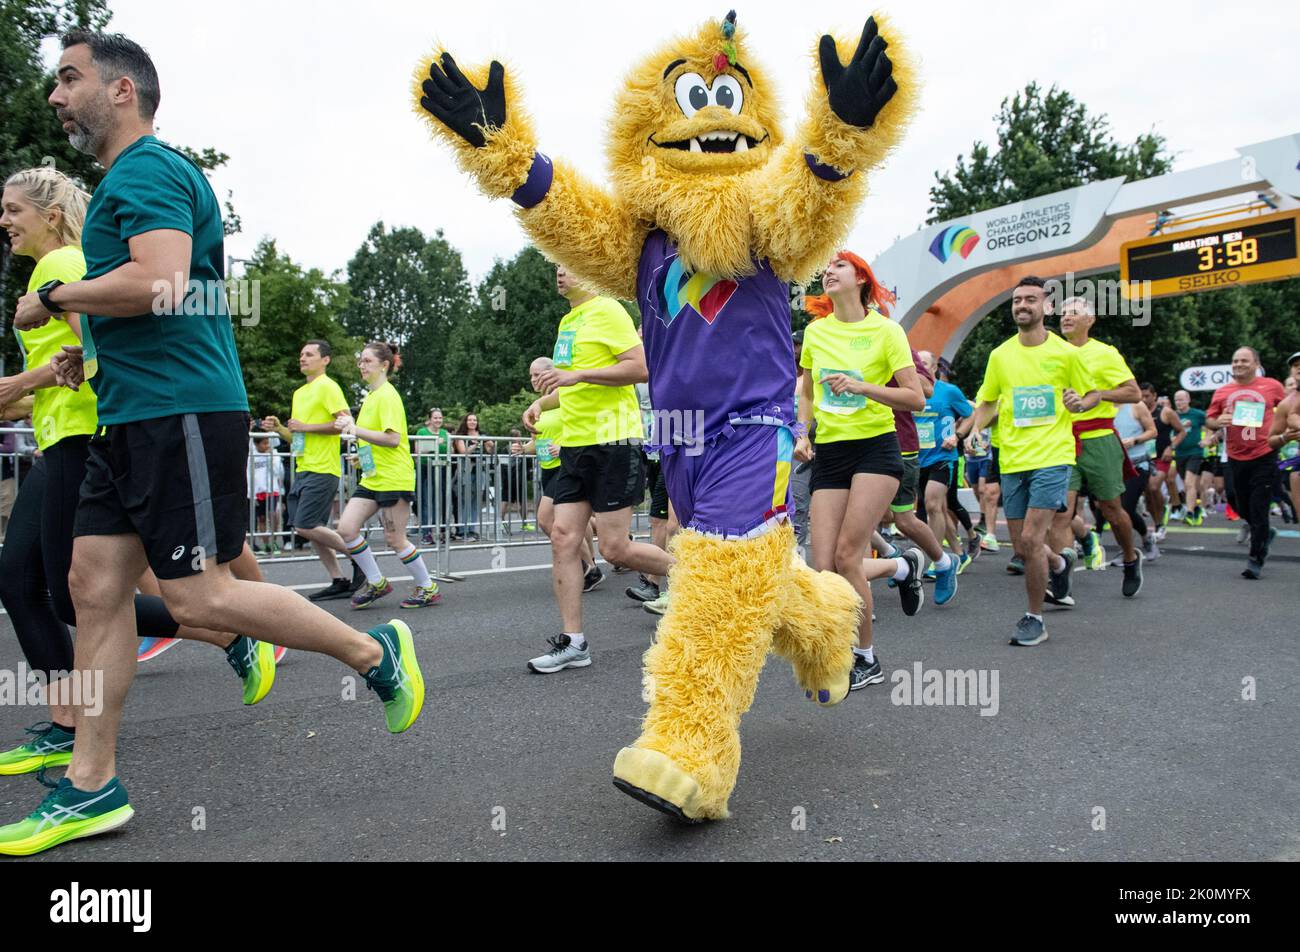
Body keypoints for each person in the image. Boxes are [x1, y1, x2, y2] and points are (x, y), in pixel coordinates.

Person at [0, 30, 424, 856]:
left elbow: (159, 281)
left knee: (198, 596)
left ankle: (377, 651)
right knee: (91, 586)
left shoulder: (152, 169)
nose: (54, 96)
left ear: (122, 91)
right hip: (129, 419)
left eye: (68, 79)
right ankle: (93, 787)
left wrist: (57, 300)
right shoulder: (123, 179)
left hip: (181, 410)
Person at [0, 164, 275, 775]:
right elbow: (87, 352)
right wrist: (33, 386)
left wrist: (26, 378)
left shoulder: (60, 268)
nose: (4, 222)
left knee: (77, 594)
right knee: (42, 587)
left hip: (86, 436)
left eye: (13, 210)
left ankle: (238, 634)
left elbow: (101, 342)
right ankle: (74, 732)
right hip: (69, 435)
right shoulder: (64, 266)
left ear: (47, 215)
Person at [522, 266, 671, 673]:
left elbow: (640, 367)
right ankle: (574, 642)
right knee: (562, 535)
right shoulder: (568, 321)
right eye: (554, 266)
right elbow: (571, 386)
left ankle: (698, 580)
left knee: (614, 548)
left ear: (591, 273)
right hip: (574, 444)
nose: (558, 272)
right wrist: (542, 403)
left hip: (613, 442)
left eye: (568, 266)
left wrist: (577, 374)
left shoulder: (608, 309)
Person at [797, 252, 927, 689]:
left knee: (849, 555)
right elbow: (807, 392)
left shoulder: (887, 331)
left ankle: (865, 657)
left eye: (839, 266)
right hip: (831, 452)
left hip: (876, 449)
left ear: (861, 279)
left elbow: (915, 399)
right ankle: (900, 567)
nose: (828, 272)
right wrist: (802, 432)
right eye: (826, 268)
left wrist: (863, 387)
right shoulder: (817, 332)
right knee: (824, 566)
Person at [969, 277, 1096, 646]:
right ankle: (1059, 563)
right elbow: (989, 400)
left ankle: (1034, 617)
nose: (1022, 305)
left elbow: (1088, 395)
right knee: (1025, 546)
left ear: (1047, 307)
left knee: (1029, 536)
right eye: (1017, 300)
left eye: (1030, 299)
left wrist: (1079, 404)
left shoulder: (1066, 354)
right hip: (1012, 457)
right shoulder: (1000, 355)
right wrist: (977, 427)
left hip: (1053, 456)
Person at [336, 342, 440, 610]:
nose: (361, 365)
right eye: (360, 360)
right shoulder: (371, 396)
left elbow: (393, 439)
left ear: (384, 365)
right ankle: (376, 581)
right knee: (346, 528)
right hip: (372, 477)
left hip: (395, 478)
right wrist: (362, 455)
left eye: (367, 361)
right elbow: (378, 438)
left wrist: (355, 430)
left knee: (395, 539)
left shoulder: (388, 395)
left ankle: (427, 587)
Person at [1056, 297, 1144, 597]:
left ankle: (1131, 558)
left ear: (1090, 320)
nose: (1066, 317)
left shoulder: (1105, 353)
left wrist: (1096, 394)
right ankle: (1061, 578)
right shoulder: (1051, 351)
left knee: (1110, 508)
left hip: (1099, 436)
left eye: (1073, 313)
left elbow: (1133, 393)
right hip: (1062, 439)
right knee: (1061, 512)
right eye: (1063, 313)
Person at [262, 340, 360, 600]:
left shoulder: (328, 387)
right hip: (303, 466)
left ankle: (361, 558)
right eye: (301, 354)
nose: (302, 358)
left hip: (323, 467)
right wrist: (279, 429)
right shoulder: (299, 393)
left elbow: (344, 423)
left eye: (309, 354)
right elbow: (298, 438)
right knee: (310, 527)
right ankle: (338, 579)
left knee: (305, 525)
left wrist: (305, 427)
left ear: (325, 360)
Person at [1205, 347, 1287, 578]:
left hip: (1264, 454)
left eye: (1244, 360)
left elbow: (1290, 405)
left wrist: (1284, 427)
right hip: (1234, 455)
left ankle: (1255, 558)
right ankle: (1264, 532)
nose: (1238, 364)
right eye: (1235, 360)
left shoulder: (1272, 386)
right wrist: (1217, 420)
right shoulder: (1223, 391)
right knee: (1234, 500)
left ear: (1256, 364)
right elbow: (1210, 420)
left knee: (1259, 508)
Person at [915, 350, 978, 568]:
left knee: (934, 505)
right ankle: (959, 555)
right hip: (917, 459)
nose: (919, 367)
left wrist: (957, 435)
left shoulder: (949, 391)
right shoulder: (910, 393)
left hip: (943, 456)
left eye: (924, 363)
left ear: (934, 367)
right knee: (937, 510)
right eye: (916, 364)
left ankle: (936, 561)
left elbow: (971, 414)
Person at [1110, 396, 1160, 564]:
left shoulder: (1136, 405)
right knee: (1113, 511)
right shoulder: (1100, 406)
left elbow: (1153, 431)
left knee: (1125, 508)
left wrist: (1135, 440)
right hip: (1112, 466)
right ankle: (1126, 548)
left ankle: (1143, 541)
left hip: (1137, 465)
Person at [1141, 384, 1184, 539]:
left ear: (1154, 396)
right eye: (1141, 396)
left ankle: (1160, 520)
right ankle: (1158, 521)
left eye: (1147, 396)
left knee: (1153, 487)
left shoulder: (1165, 412)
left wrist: (1170, 448)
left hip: (1162, 457)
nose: (1144, 399)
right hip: (1144, 457)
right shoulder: (1138, 411)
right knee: (1147, 494)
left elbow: (1181, 432)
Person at [1171, 389, 1210, 526]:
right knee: (1187, 485)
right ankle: (1196, 507)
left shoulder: (1197, 414)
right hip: (1179, 454)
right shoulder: (1173, 416)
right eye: (1176, 400)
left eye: (1181, 399)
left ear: (1188, 400)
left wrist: (1207, 440)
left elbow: (1211, 425)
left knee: (1189, 483)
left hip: (1195, 452)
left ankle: (1189, 513)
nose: (1179, 402)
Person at [412, 407, 450, 544]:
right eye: (435, 417)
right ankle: (426, 532)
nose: (438, 420)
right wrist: (434, 444)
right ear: (430, 419)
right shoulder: (422, 432)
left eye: (440, 418)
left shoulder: (445, 433)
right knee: (425, 500)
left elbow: (450, 450)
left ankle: (442, 531)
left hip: (441, 468)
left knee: (440, 500)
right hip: (425, 468)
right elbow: (418, 451)